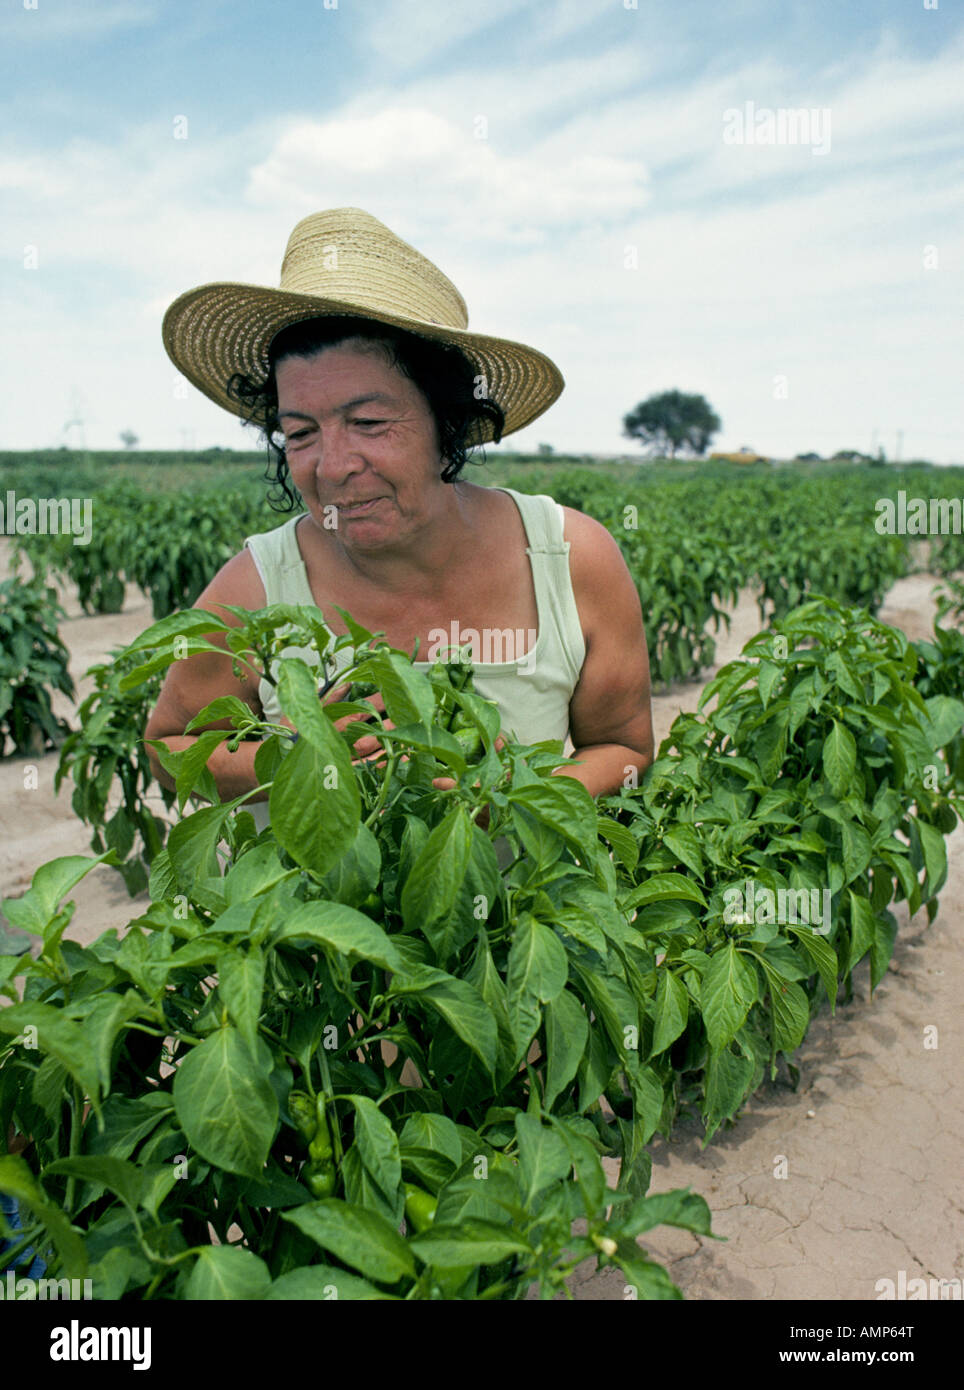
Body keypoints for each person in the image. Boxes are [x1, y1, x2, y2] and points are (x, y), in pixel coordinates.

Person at [145, 207, 653, 816]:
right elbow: (169, 749)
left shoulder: (570, 560)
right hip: (307, 916)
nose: (331, 466)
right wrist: (296, 755)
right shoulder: (260, 585)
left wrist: (517, 797)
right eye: (301, 432)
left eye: (369, 423)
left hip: (522, 912)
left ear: (449, 423)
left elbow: (623, 747)